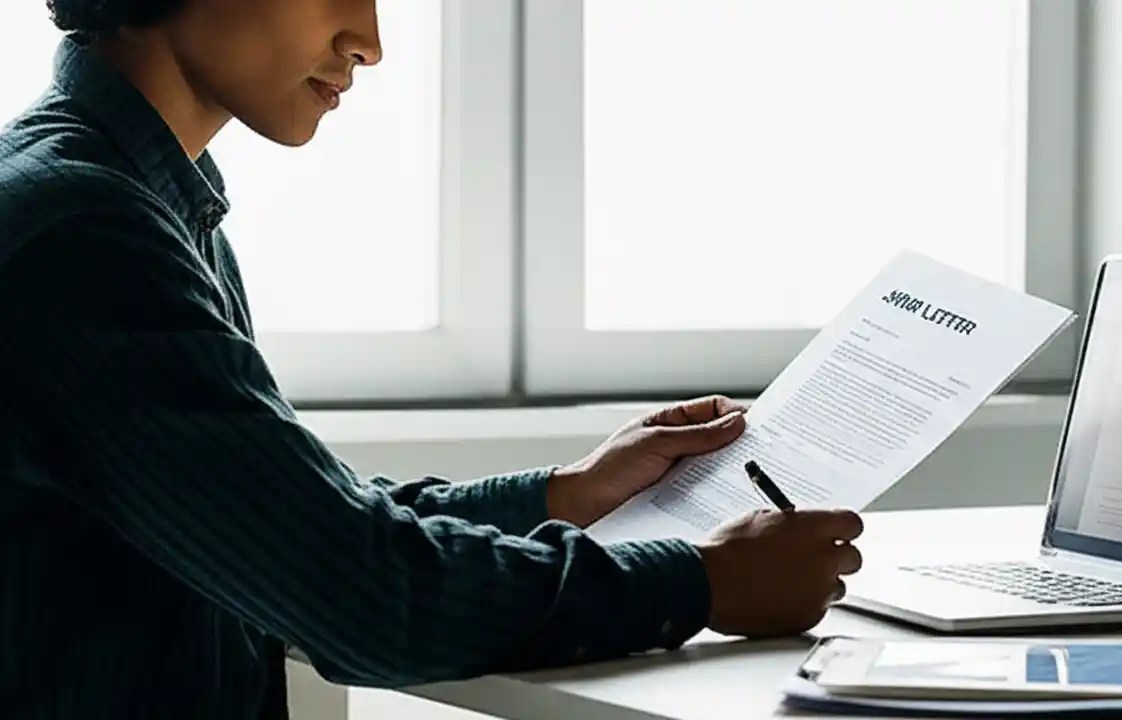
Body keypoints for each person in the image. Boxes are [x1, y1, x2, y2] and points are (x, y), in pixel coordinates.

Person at [0, 1, 864, 717]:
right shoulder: (81, 230)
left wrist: (567, 492)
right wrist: (704, 584)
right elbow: (361, 595)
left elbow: (295, 525)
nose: (367, 40)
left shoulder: (124, 199)